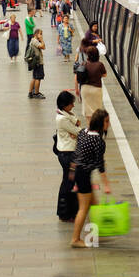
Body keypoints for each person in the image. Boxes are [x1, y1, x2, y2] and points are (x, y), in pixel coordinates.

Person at [68, 110, 111, 247]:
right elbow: (100, 165)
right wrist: (106, 185)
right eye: (106, 121)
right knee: (83, 208)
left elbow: (77, 150)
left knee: (94, 205)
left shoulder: (83, 132)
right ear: (100, 123)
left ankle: (97, 232)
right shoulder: (98, 141)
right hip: (83, 175)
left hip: (77, 172)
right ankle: (75, 239)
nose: (108, 124)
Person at [54, 92, 81, 222]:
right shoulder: (62, 119)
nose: (73, 105)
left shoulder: (64, 114)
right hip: (68, 155)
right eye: (71, 104)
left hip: (68, 153)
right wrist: (76, 130)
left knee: (69, 182)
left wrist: (76, 124)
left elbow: (77, 122)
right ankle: (65, 213)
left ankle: (68, 211)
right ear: (65, 105)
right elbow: (78, 131)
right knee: (68, 184)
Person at [80, 47, 107, 118]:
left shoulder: (84, 64)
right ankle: (96, 127)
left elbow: (77, 77)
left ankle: (90, 127)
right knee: (97, 111)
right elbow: (105, 74)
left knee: (88, 112)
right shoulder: (100, 64)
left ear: (88, 55)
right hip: (96, 89)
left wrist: (77, 90)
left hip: (85, 89)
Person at [25, 28, 46, 99]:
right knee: (38, 78)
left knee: (34, 77)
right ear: (36, 34)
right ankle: (36, 93)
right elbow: (43, 47)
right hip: (38, 61)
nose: (41, 35)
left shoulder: (33, 40)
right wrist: (42, 40)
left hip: (35, 61)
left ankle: (30, 93)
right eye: (40, 34)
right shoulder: (35, 41)